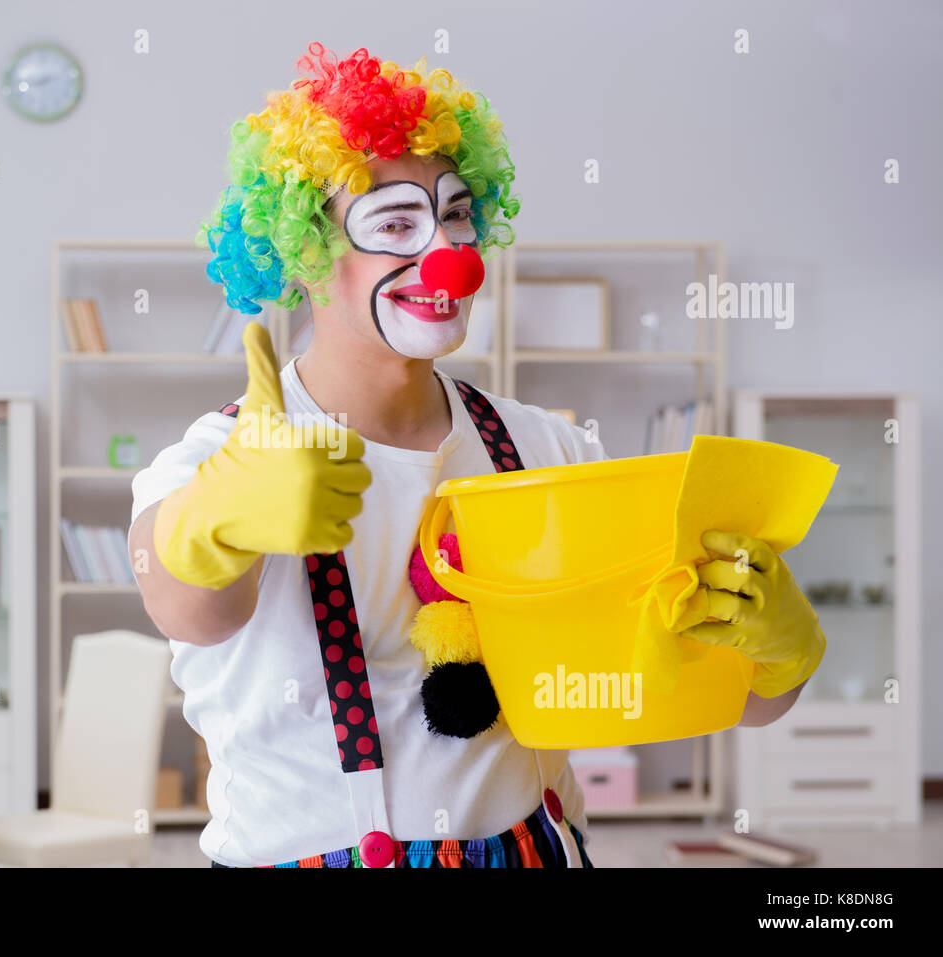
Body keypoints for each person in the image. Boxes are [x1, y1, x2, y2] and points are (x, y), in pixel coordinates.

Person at [128, 42, 821, 868]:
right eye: (393, 223)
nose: (446, 254)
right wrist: (219, 517)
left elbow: (669, 688)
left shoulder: (545, 446)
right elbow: (188, 608)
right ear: (307, 252)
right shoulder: (219, 455)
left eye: (456, 214)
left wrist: (779, 656)